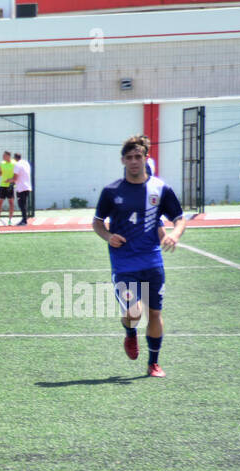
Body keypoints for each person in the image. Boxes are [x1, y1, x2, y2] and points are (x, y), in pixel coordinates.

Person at [92, 135, 186, 378]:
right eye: (129, 157)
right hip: (124, 262)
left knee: (154, 313)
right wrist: (107, 236)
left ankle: (153, 363)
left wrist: (174, 234)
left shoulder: (160, 189)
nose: (134, 161)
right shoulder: (111, 191)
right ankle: (130, 334)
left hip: (152, 260)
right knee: (134, 312)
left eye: (138, 156)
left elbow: (179, 218)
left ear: (145, 158)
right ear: (123, 160)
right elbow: (98, 222)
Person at [0, 150, 15, 226]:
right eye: (3, 156)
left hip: (10, 186)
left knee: (11, 203)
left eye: (4, 155)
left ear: (8, 156)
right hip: (2, 185)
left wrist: (11, 180)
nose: (3, 157)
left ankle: (10, 220)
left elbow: (16, 174)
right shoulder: (2, 163)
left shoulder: (14, 163)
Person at [12, 152, 32, 225]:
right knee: (24, 204)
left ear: (15, 158)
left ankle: (24, 220)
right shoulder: (25, 163)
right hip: (27, 186)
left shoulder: (17, 165)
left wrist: (9, 180)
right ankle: (24, 219)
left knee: (21, 204)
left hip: (21, 187)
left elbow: (15, 178)